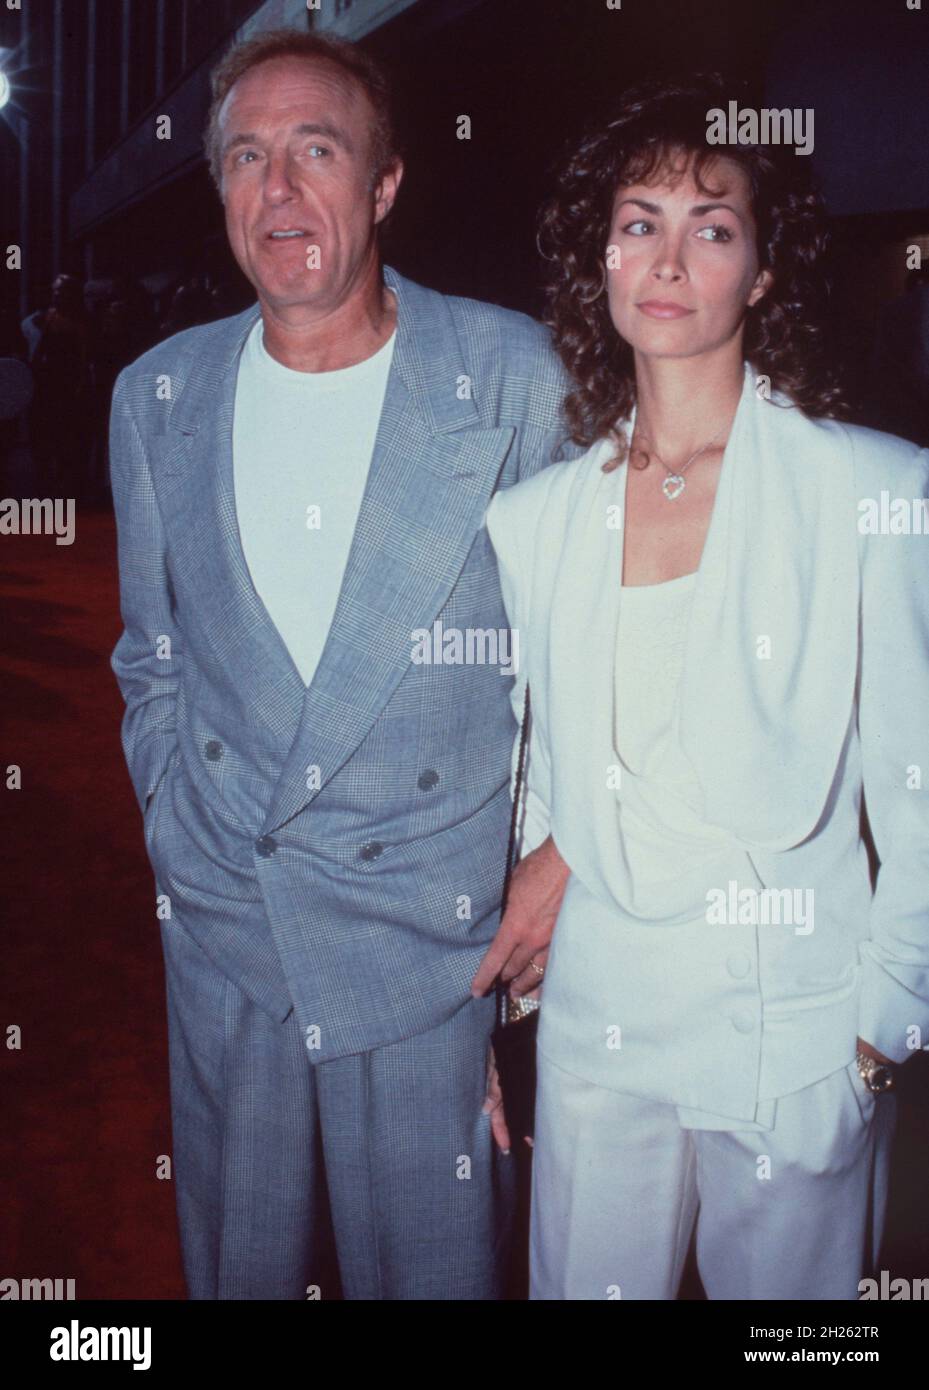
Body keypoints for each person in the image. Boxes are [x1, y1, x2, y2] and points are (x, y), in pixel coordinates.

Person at [108, 27, 578, 1300]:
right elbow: (148, 658)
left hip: (427, 947)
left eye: (317, 151)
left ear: (382, 186)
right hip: (226, 920)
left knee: (431, 1277)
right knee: (236, 1266)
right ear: (216, 189)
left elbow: (580, 665)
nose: (278, 191)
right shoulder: (154, 397)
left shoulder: (512, 377)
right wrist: (173, 818)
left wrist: (551, 863)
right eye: (247, 157)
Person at [477, 74, 929, 1300]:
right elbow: (550, 781)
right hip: (599, 1030)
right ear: (601, 261)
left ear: (762, 271)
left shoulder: (870, 493)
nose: (667, 259)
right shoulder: (535, 519)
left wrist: (876, 1037)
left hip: (788, 1029)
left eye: (710, 227)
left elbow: (917, 791)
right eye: (638, 223)